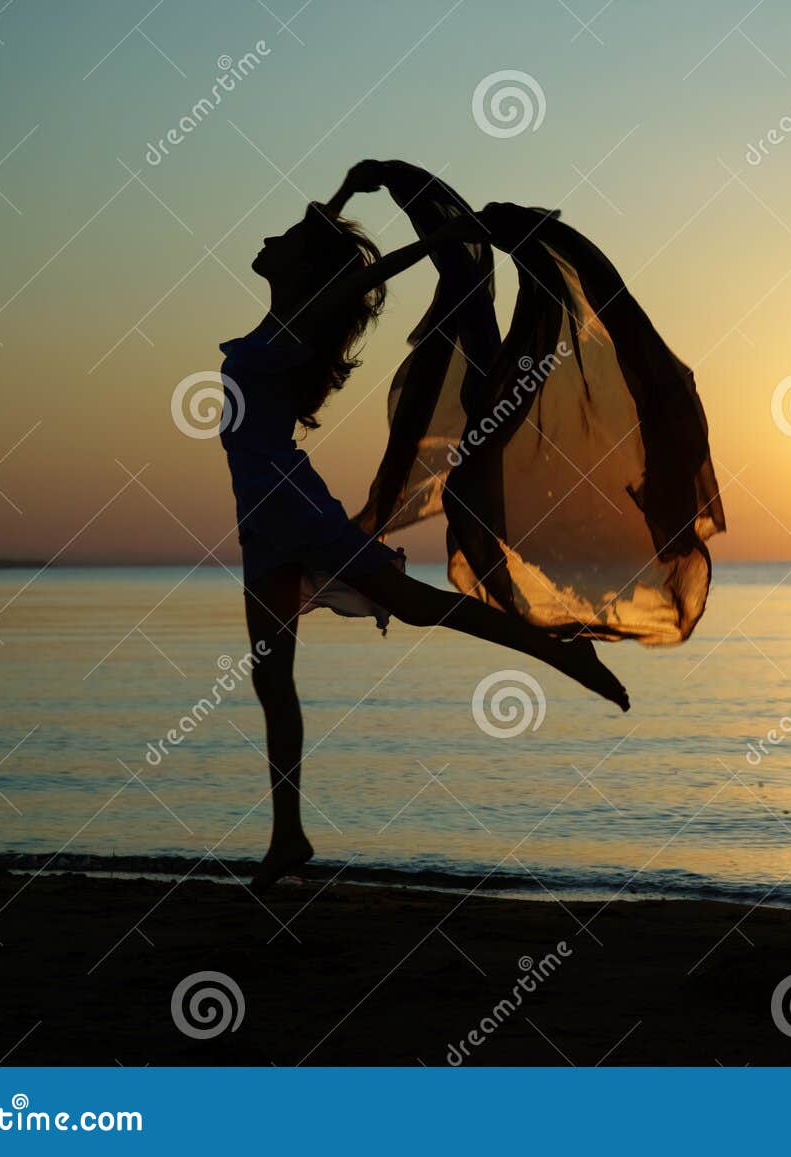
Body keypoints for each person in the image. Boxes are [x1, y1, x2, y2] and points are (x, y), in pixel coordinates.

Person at [221, 162, 628, 891]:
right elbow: (323, 239)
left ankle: (564, 652)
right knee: (271, 676)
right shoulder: (286, 312)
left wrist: (455, 232)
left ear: (304, 267)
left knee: (416, 607)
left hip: (291, 506)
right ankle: (288, 835)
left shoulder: (304, 316)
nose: (265, 237)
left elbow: (373, 271)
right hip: (261, 519)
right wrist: (354, 188)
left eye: (281, 236)